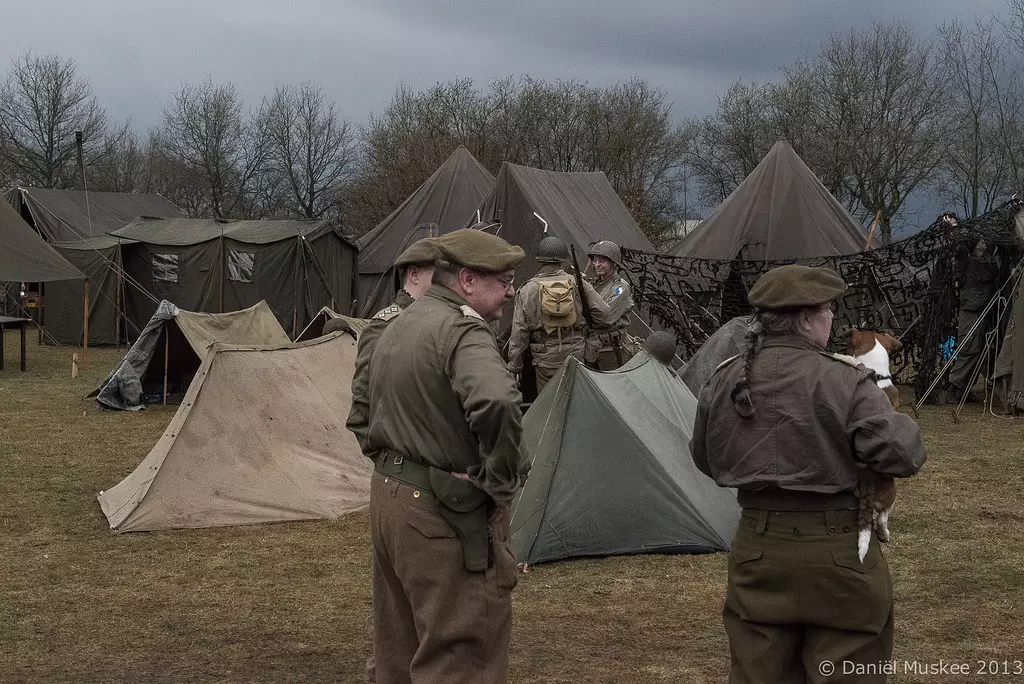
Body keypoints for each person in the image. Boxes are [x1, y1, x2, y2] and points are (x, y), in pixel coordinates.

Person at [690, 264, 927, 684]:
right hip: (839, 551)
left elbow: (705, 458)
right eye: (828, 310)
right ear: (806, 320)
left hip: (757, 551)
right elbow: (903, 455)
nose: (833, 319)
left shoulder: (725, 377)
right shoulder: (847, 381)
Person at [362, 228, 527, 684]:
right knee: (460, 652)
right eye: (505, 281)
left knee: (397, 648)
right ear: (468, 281)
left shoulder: (400, 323)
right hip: (442, 511)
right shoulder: (462, 329)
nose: (512, 292)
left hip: (391, 498)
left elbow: (363, 406)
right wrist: (499, 480)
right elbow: (497, 401)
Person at [346, 237, 439, 457]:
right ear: (414, 275)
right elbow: (362, 405)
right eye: (439, 274)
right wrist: (386, 462)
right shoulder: (384, 327)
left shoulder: (441, 323)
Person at [507, 235, 609, 393]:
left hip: (546, 360)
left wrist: (514, 367)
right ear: (564, 260)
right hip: (577, 355)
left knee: (551, 406)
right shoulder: (578, 284)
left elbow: (519, 334)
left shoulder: (527, 290)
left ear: (540, 260)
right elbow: (603, 313)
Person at [947, 236, 1001, 404]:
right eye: (980, 240)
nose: (984, 242)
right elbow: (960, 249)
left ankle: (964, 387)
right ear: (975, 245)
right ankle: (955, 387)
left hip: (984, 307)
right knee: (968, 347)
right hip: (971, 309)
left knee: (979, 350)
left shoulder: (988, 259)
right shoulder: (967, 262)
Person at [585, 240, 635, 370]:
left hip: (611, 349)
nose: (597, 264)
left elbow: (605, 318)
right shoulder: (593, 284)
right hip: (592, 345)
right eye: (595, 260)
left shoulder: (620, 288)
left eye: (602, 261)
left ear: (613, 263)